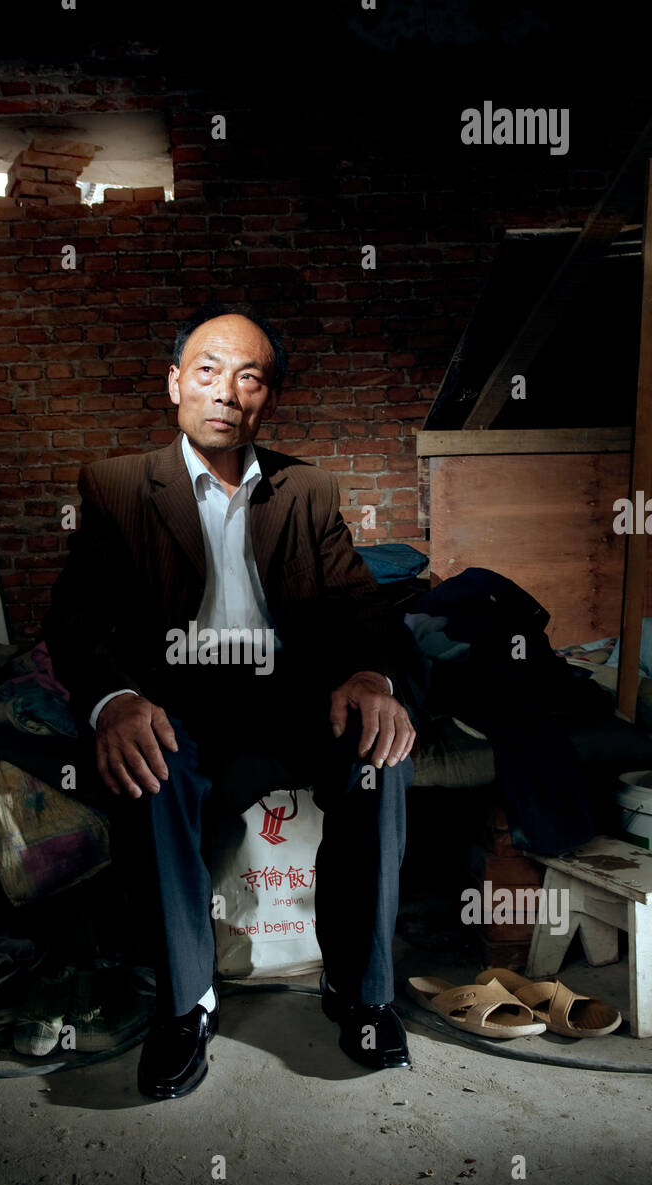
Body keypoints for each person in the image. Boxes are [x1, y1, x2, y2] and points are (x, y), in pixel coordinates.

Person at [42, 303, 417, 1099]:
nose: (225, 392)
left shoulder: (306, 489)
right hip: (176, 701)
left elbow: (362, 607)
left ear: (265, 399)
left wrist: (373, 680)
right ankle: (186, 1005)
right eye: (207, 371)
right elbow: (76, 618)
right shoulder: (115, 487)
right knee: (151, 769)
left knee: (382, 756)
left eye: (248, 378)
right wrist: (115, 698)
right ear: (176, 383)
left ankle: (362, 992)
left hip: (295, 699)